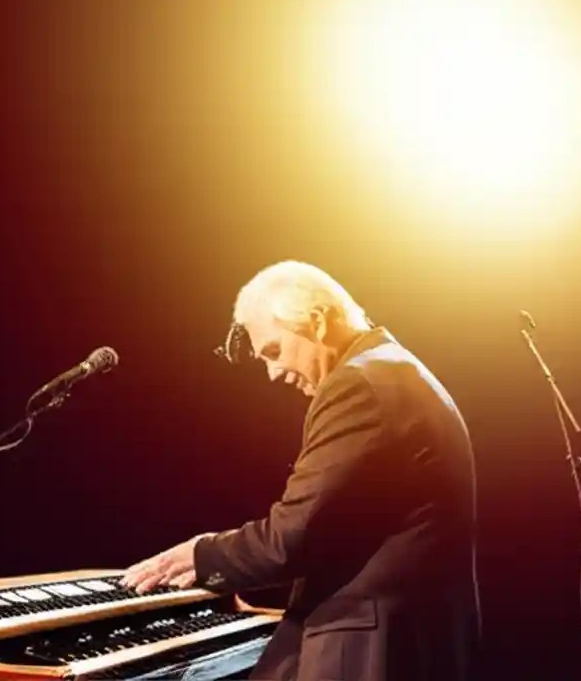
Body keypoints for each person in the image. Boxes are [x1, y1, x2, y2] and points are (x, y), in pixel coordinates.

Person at [121, 260, 480, 681]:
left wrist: (202, 556)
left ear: (317, 322)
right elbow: (341, 532)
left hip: (370, 648)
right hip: (410, 639)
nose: (272, 373)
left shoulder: (359, 385)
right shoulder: (395, 371)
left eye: (273, 351)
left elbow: (292, 536)